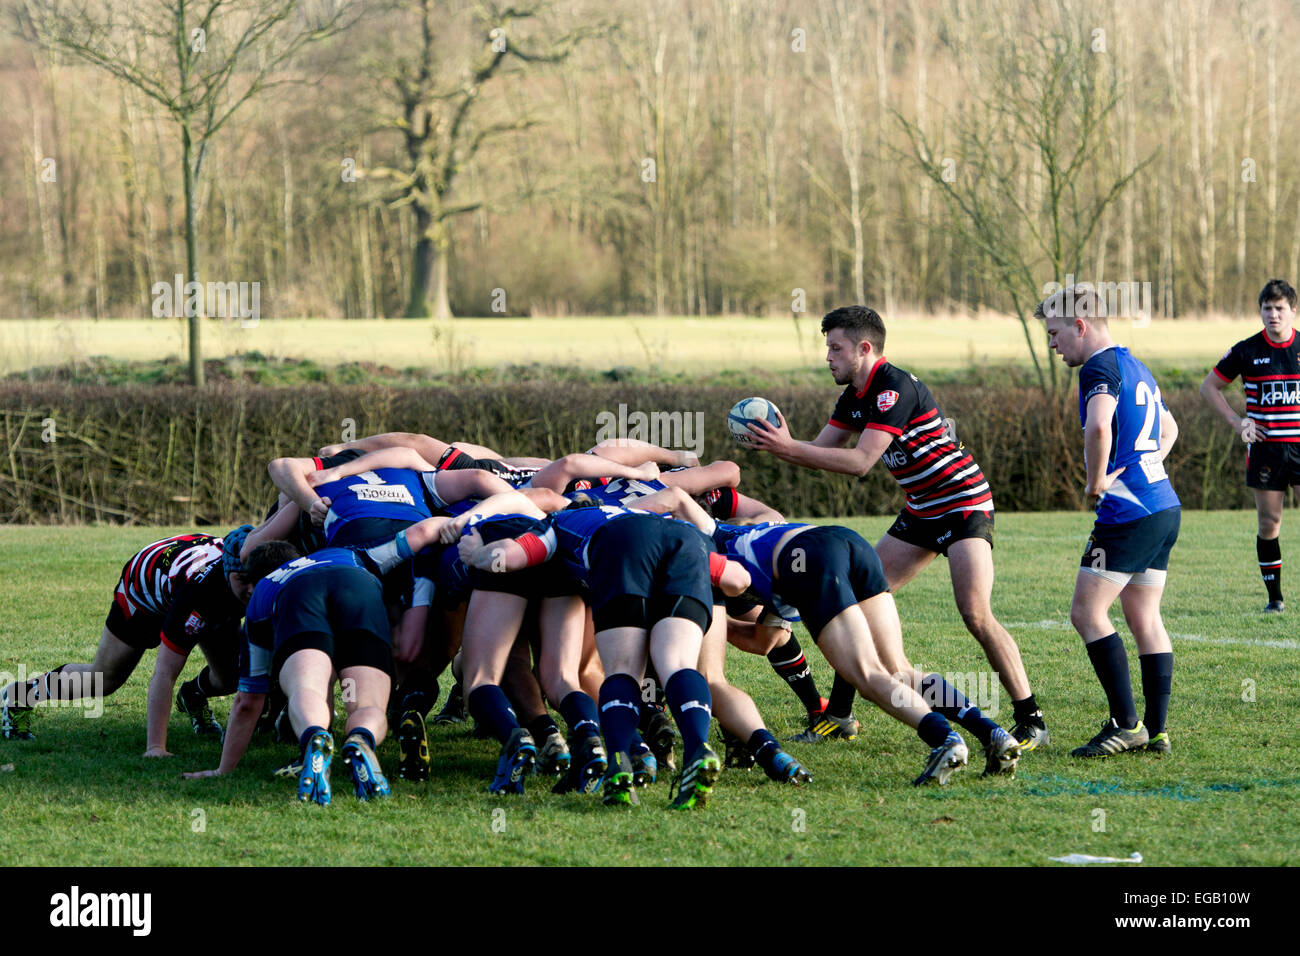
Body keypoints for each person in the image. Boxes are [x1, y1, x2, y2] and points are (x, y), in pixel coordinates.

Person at [744, 305, 1049, 751]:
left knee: (976, 615)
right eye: (826, 346)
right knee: (856, 602)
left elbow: (860, 462)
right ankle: (841, 717)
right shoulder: (854, 396)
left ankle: (1031, 719)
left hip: (963, 505)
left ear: (864, 349)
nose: (828, 356)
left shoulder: (893, 388)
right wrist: (784, 445)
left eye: (836, 347)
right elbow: (822, 451)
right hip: (922, 510)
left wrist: (789, 450)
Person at [1039, 286, 1179, 757]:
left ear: (1081, 326)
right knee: (1144, 617)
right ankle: (1156, 731)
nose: (1053, 345)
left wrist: (1096, 481)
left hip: (1129, 511)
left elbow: (1099, 425)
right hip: (1163, 505)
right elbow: (1169, 428)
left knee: (1086, 613)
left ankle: (1126, 724)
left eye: (1056, 334)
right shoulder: (1134, 364)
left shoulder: (1099, 367)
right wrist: (1147, 464)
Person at [1, 530, 254, 754]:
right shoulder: (201, 592)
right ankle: (19, 696)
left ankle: (192, 695)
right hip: (144, 590)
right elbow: (164, 672)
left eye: (256, 579)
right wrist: (156, 748)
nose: (252, 589)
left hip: (189, 580)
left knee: (230, 677)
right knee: (103, 679)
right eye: (243, 580)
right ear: (227, 572)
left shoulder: (261, 576)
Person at [1200, 278, 1300, 612]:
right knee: (1269, 522)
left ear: (1293, 311)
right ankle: (1275, 599)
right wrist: (1236, 422)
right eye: (1267, 308)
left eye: (1280, 308)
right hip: (1265, 450)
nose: (1273, 315)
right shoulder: (1246, 350)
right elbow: (1209, 387)